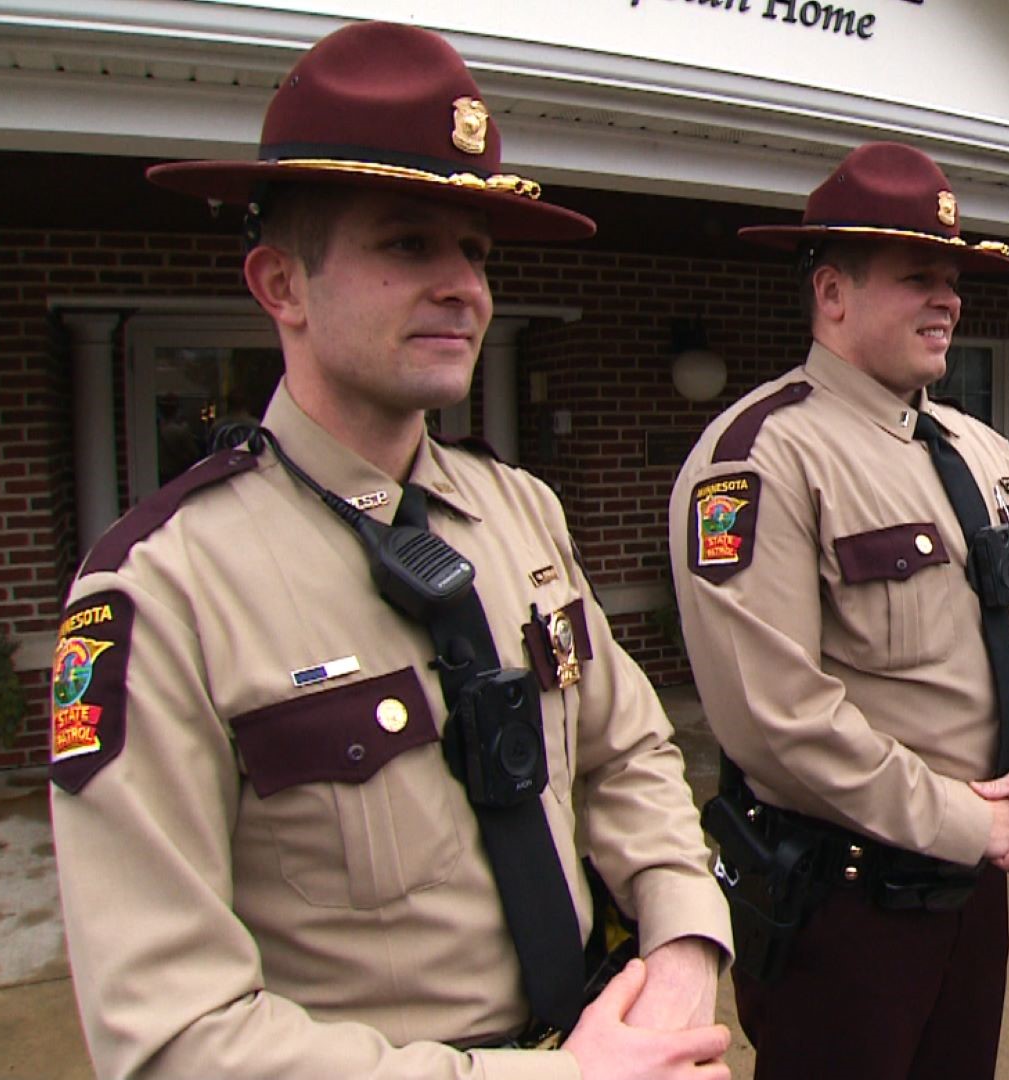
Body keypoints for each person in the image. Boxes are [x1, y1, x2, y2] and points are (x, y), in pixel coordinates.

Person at [49, 22, 733, 1079]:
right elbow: (174, 1038)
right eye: (410, 243)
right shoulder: (159, 589)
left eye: (477, 251)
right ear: (281, 285)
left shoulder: (520, 512)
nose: (465, 284)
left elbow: (625, 753)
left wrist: (685, 941)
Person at [667, 141, 1009, 1079]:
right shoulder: (760, 457)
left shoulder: (980, 450)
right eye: (918, 277)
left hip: (973, 886)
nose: (948, 299)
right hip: (844, 908)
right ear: (833, 294)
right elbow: (779, 721)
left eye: (953, 279)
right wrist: (971, 823)